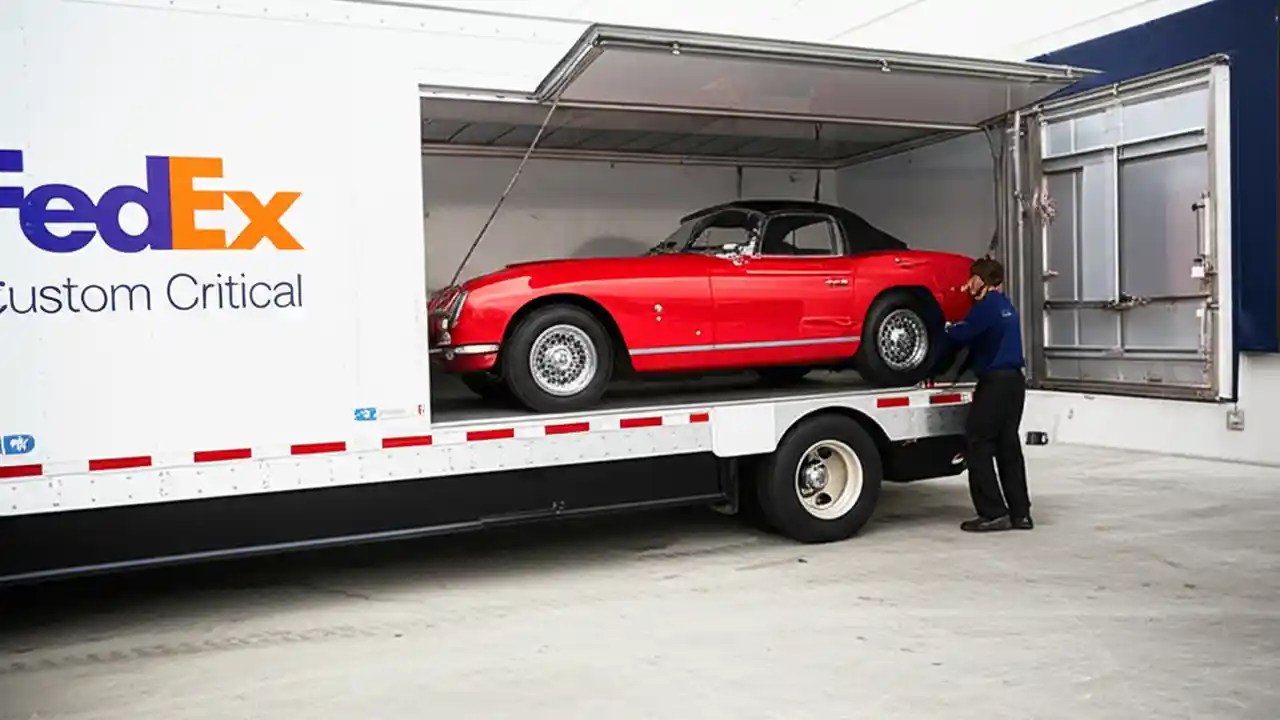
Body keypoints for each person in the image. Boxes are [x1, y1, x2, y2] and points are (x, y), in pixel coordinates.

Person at [943, 258, 1033, 533]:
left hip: (995, 382)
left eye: (973, 278)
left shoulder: (987, 306)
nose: (968, 283)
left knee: (977, 441)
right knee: (1008, 446)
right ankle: (1021, 513)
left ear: (983, 280)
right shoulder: (1006, 305)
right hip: (1015, 382)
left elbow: (961, 335)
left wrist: (944, 326)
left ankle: (992, 512)